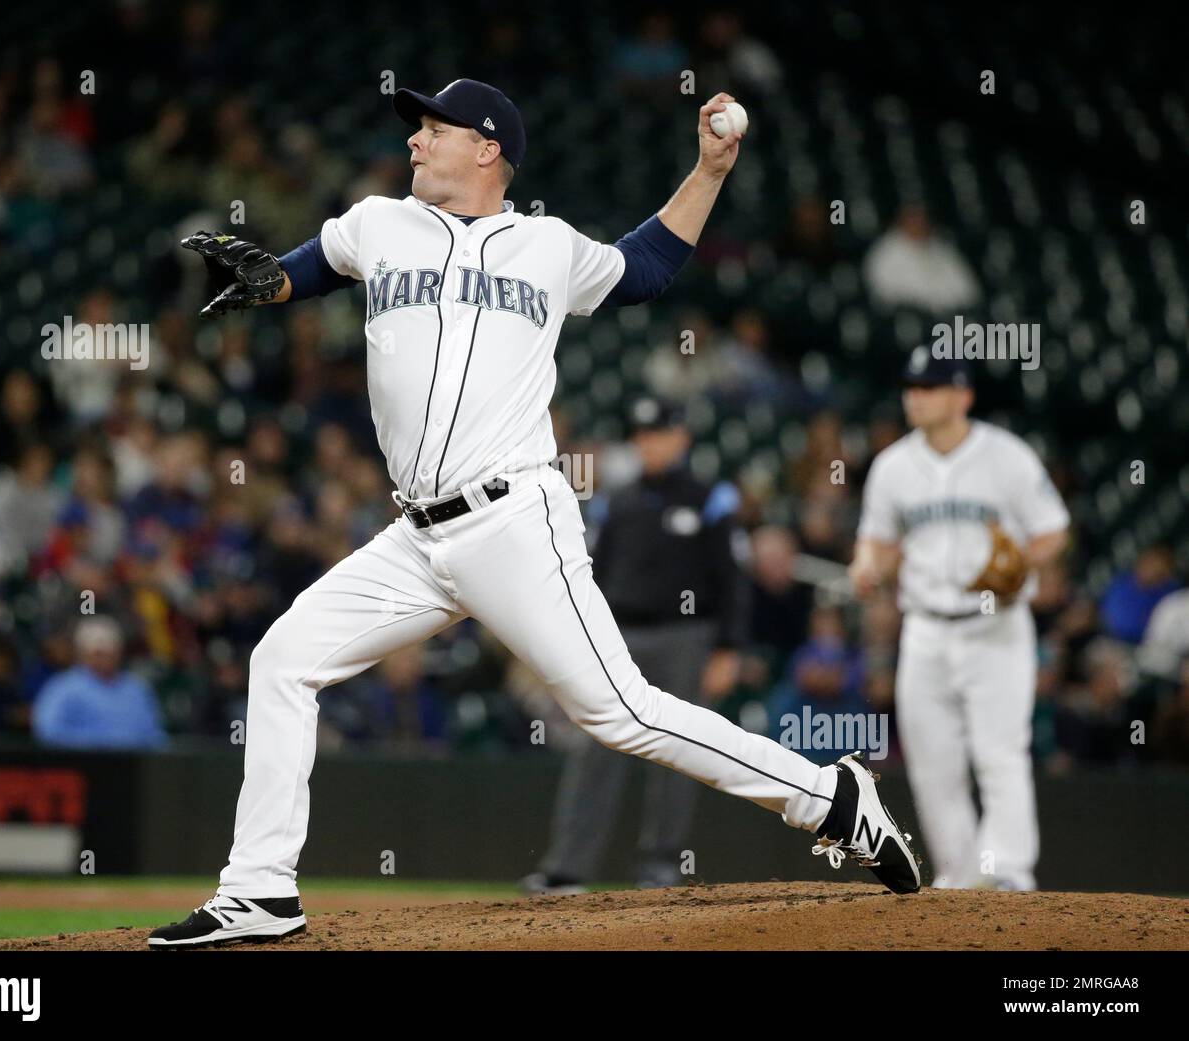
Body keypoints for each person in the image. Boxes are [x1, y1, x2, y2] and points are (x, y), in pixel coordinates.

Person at [150, 79, 920, 949]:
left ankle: (830, 798)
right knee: (284, 658)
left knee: (618, 712)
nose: (413, 143)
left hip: (514, 521)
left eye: (431, 130)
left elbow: (648, 269)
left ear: (487, 149)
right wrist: (269, 285)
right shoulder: (377, 221)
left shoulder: (547, 246)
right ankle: (259, 892)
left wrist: (708, 169)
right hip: (415, 537)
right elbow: (306, 269)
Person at [849, 347, 1069, 891]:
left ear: (962, 395)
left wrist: (1026, 559)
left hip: (994, 626)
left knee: (999, 754)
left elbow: (1052, 528)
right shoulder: (893, 465)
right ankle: (960, 879)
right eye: (911, 387)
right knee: (933, 765)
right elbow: (874, 542)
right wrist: (866, 567)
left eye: (929, 387)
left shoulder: (1007, 457)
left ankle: (1010, 874)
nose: (915, 396)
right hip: (923, 629)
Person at [522, 395, 744, 892]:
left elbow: (731, 580)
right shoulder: (617, 501)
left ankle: (662, 863)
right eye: (642, 436)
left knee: (679, 750)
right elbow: (591, 574)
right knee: (595, 748)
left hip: (687, 636)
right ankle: (568, 868)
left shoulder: (710, 498)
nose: (650, 444)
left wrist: (729, 648)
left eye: (659, 434)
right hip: (621, 635)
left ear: (681, 438)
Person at [32, 617, 168, 750]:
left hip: (135, 767)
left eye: (111, 652)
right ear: (82, 654)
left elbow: (154, 736)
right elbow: (48, 732)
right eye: (99, 653)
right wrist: (100, 745)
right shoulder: (62, 688)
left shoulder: (137, 689)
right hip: (81, 766)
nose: (105, 659)